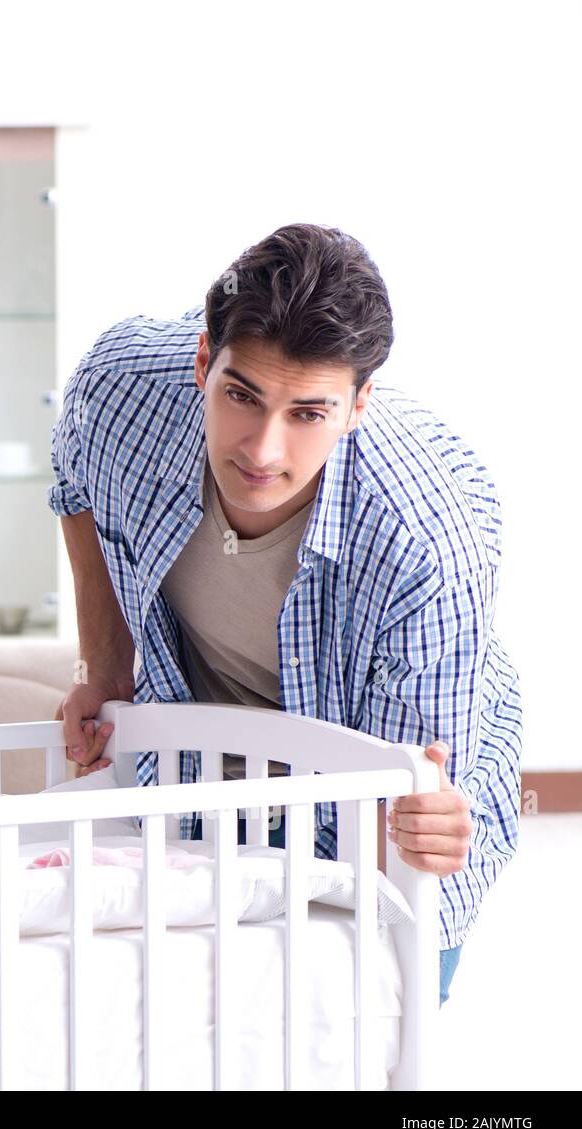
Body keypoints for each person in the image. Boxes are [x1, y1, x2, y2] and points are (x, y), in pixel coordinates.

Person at [49, 224, 522, 1008]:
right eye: (241, 396)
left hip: (373, 788)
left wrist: (411, 851)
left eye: (308, 412)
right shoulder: (121, 388)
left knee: (360, 1023)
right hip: (201, 760)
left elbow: (398, 809)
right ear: (203, 362)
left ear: (360, 404)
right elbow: (75, 482)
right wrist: (105, 660)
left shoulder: (428, 536)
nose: (263, 450)